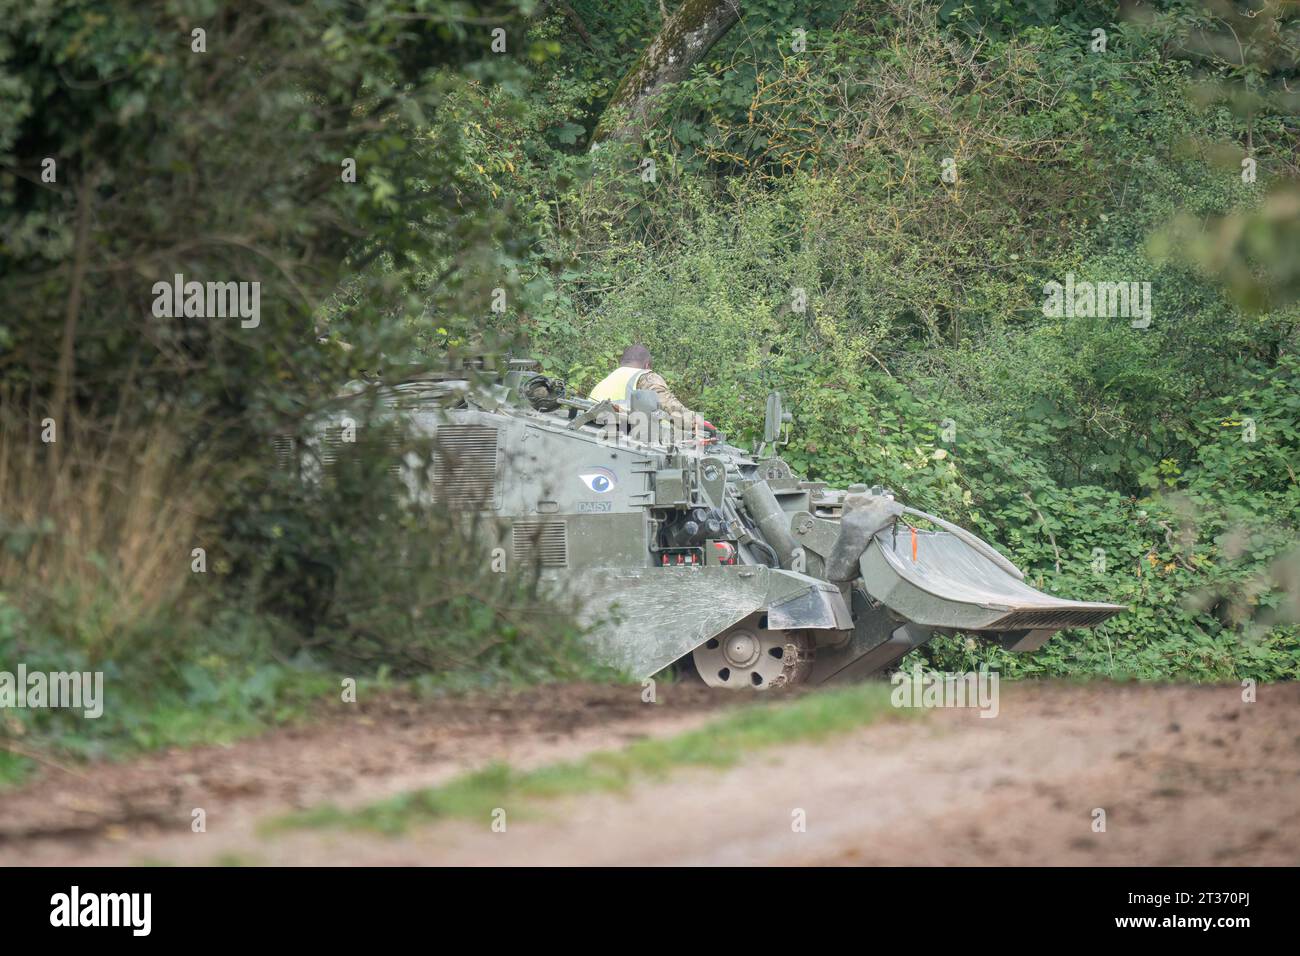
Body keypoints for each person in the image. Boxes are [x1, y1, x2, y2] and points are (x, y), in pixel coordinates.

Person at [589, 344, 713, 437]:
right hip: (623, 439)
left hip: (592, 434)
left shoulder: (606, 381)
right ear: (647, 365)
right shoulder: (645, 376)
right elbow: (669, 405)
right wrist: (697, 422)